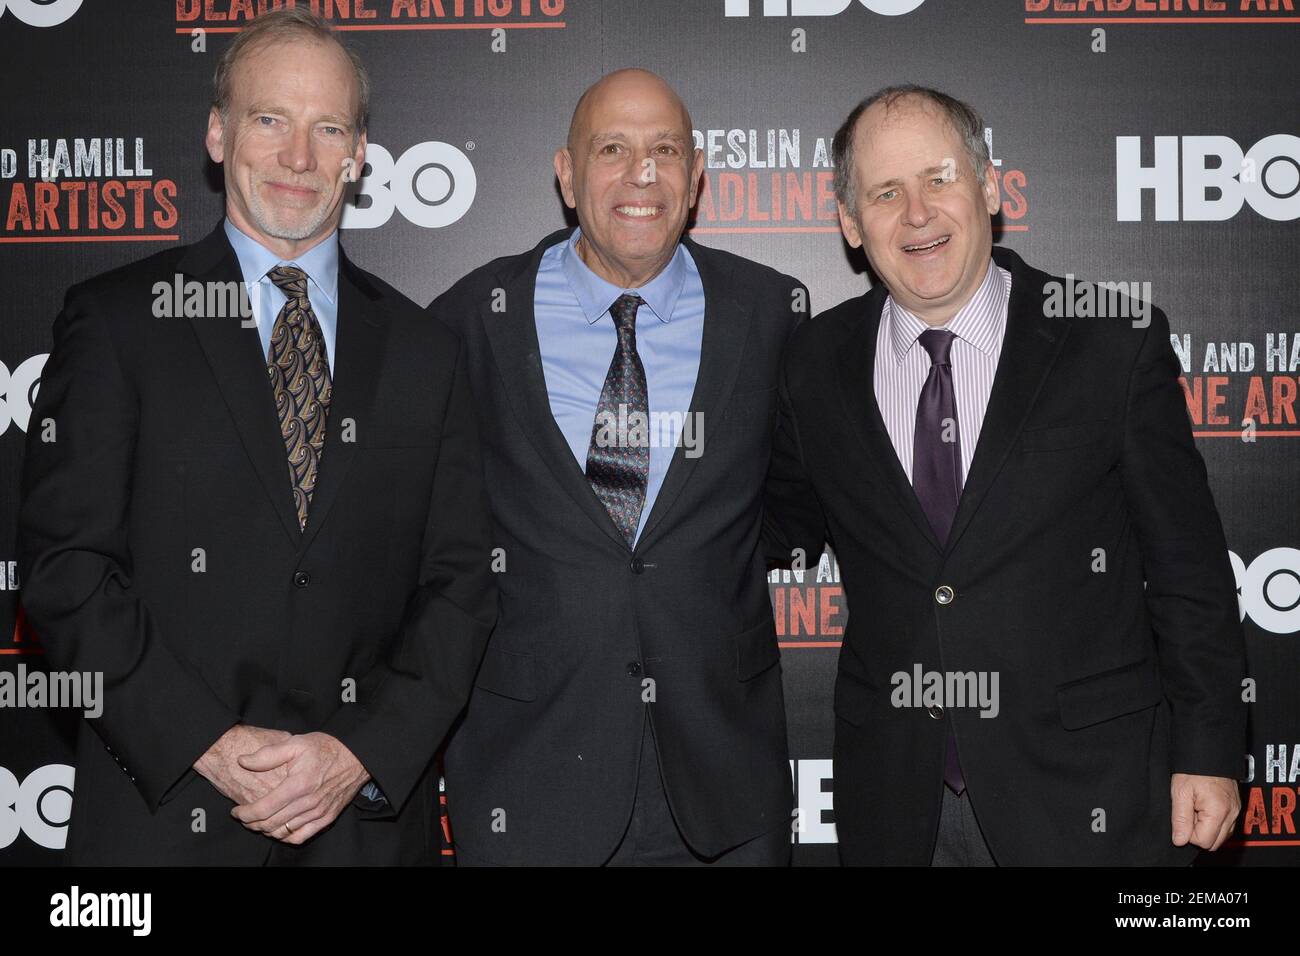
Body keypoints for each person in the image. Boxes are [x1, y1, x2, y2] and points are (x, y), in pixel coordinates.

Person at [17, 7, 496, 865]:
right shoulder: (117, 323)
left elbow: (462, 585)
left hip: (365, 830)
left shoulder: (428, 351)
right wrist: (209, 744)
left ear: (358, 156)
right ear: (216, 133)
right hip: (162, 820)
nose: (298, 157)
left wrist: (356, 755)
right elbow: (65, 570)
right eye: (269, 119)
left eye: (329, 128)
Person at [765, 84, 1246, 865]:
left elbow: (1189, 570)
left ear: (990, 187)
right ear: (851, 223)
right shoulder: (812, 364)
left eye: (940, 178)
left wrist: (1211, 750)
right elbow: (771, 524)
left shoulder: (1109, 341)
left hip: (1091, 792)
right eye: (885, 193)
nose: (917, 213)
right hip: (896, 800)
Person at [432, 68, 808, 866]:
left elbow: (792, 505)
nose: (642, 174)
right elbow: (431, 539)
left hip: (725, 788)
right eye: (613, 149)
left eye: (665, 149)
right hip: (527, 781)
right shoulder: (472, 318)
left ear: (697, 177)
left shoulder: (772, 312)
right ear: (566, 176)